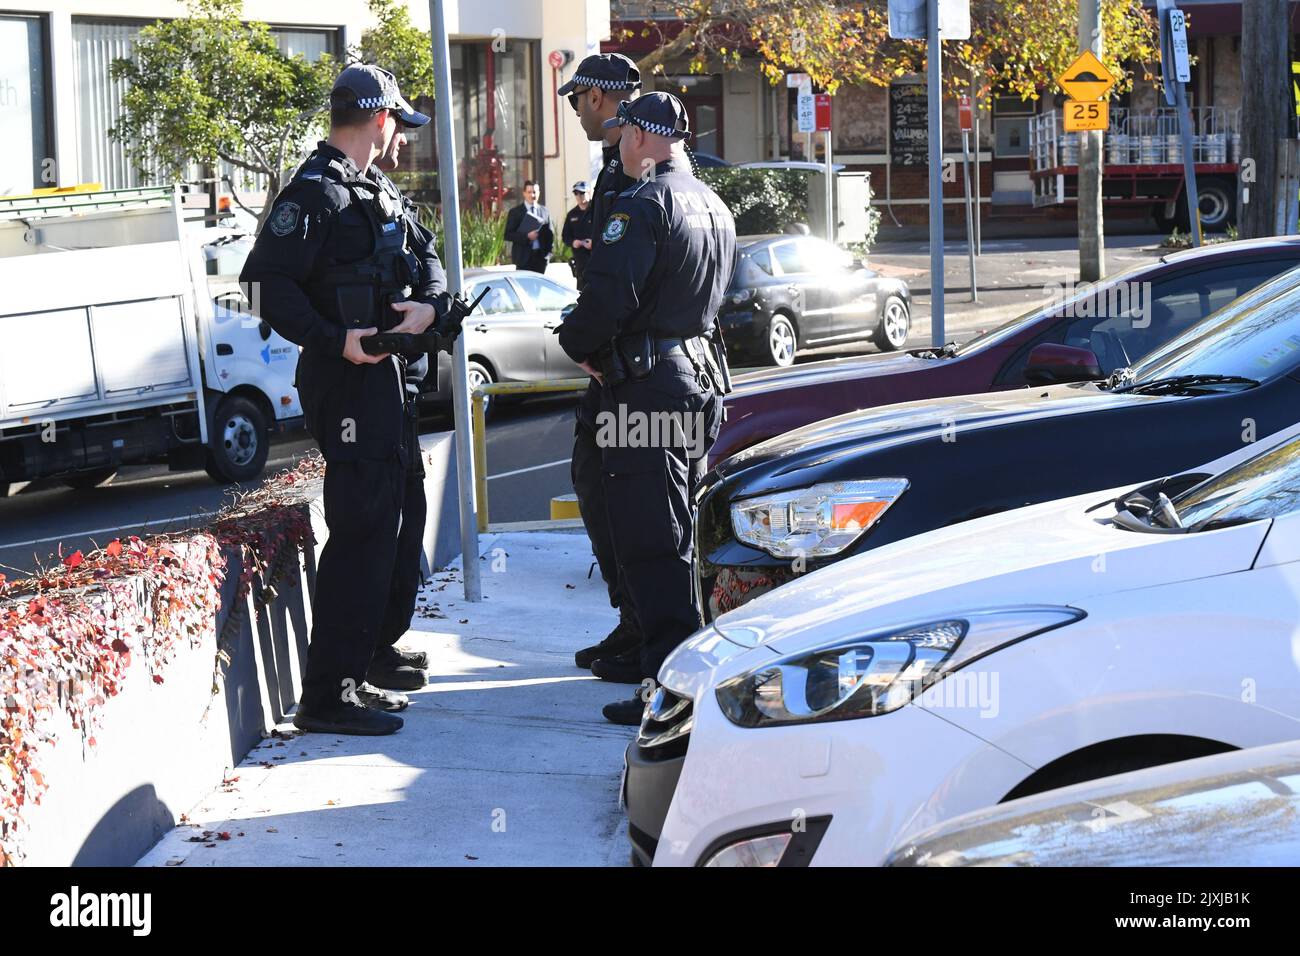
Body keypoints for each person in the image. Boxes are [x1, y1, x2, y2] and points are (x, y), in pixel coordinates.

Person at [240, 64, 454, 736]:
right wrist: (338, 340)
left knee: (396, 521)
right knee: (363, 529)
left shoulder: (375, 189)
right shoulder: (313, 193)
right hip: (349, 381)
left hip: (389, 381)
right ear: (379, 119)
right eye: (396, 123)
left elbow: (429, 258)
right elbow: (259, 289)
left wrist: (429, 309)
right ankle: (328, 694)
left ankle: (366, 658)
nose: (398, 136)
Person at [556, 93, 737, 725]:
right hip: (696, 378)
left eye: (623, 132)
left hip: (645, 387)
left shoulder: (643, 205)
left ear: (639, 137)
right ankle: (674, 676)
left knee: (650, 539)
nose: (620, 143)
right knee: (679, 531)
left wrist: (575, 343)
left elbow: (609, 299)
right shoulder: (713, 203)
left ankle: (667, 693)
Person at [555, 52, 645, 675]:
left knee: (635, 502)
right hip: (618, 363)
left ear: (597, 99)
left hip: (633, 367)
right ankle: (632, 620)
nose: (574, 113)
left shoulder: (637, 167)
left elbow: (629, 281)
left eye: (575, 100)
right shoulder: (617, 165)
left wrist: (585, 345)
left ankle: (648, 631)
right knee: (597, 482)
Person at [504, 181, 553, 273]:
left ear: (539, 193)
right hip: (523, 258)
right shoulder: (515, 212)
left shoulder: (544, 211)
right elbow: (508, 234)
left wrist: (548, 255)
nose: (532, 195)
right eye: (529, 192)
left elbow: (550, 234)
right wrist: (527, 236)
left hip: (541, 258)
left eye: (535, 192)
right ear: (524, 193)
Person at [561, 181, 593, 283]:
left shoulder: (597, 211)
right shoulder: (572, 214)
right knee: (581, 291)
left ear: (589, 193)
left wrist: (594, 242)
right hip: (580, 260)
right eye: (576, 193)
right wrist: (573, 242)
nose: (579, 196)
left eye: (582, 193)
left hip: (596, 257)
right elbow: (565, 236)